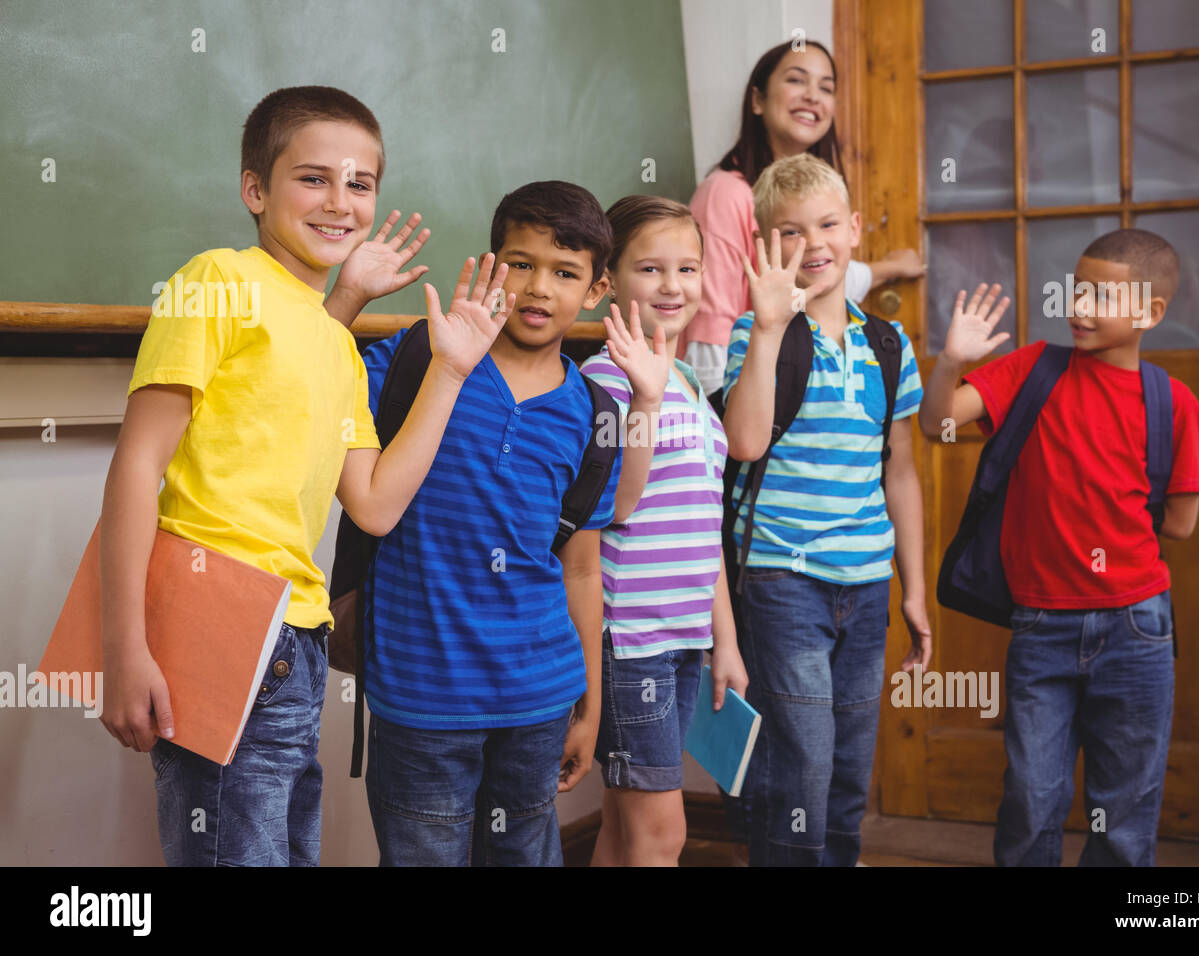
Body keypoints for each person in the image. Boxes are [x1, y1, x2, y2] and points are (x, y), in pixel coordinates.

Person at [99, 85, 507, 866]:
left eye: (360, 184)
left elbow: (377, 504)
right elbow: (137, 463)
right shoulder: (216, 278)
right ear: (255, 189)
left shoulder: (336, 345)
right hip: (214, 616)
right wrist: (125, 647)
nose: (341, 202)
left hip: (299, 636)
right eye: (313, 178)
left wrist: (450, 371)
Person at [341, 181, 622, 866]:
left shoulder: (598, 414)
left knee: (523, 854)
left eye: (564, 273)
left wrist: (589, 702)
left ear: (596, 290)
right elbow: (308, 371)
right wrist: (348, 296)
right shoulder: (421, 359)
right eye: (520, 263)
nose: (538, 288)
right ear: (492, 263)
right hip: (419, 695)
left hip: (540, 696)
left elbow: (581, 569)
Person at [917, 228, 1199, 866]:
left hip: (1138, 628)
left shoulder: (1174, 403)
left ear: (1150, 313)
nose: (1079, 306)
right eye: (1077, 290)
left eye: (1101, 296)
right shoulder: (1032, 370)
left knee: (1126, 808)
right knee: (1030, 793)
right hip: (1042, 625)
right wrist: (949, 361)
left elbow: (1182, 522)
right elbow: (936, 424)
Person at [722, 154, 931, 866]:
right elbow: (744, 442)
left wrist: (917, 591)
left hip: (868, 583)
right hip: (784, 578)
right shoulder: (756, 335)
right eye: (790, 232)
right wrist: (773, 324)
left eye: (827, 225)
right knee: (801, 762)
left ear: (854, 228)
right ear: (764, 246)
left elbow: (899, 472)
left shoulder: (888, 343)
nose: (812, 244)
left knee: (847, 764)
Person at [579, 196, 748, 866]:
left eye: (688, 267)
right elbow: (619, 505)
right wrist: (643, 398)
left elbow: (703, 530)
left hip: (681, 641)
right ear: (610, 281)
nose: (674, 286)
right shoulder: (605, 381)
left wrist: (723, 642)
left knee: (627, 829)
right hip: (631, 641)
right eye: (651, 269)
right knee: (662, 835)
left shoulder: (685, 381)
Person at [680, 39, 925, 395]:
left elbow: (818, 278)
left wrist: (888, 268)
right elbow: (709, 324)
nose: (813, 96)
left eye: (826, 87)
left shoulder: (819, 193)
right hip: (746, 400)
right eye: (797, 80)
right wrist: (720, 420)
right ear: (758, 100)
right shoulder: (726, 194)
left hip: (800, 396)